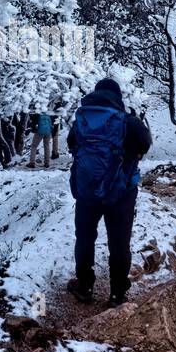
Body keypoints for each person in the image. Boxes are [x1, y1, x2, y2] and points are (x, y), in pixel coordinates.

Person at [66, 78, 151, 306]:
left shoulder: (81, 119)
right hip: (121, 192)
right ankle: (117, 293)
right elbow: (145, 143)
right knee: (119, 241)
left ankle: (84, 286)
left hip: (86, 192)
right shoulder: (128, 122)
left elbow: (71, 145)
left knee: (84, 238)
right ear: (118, 97)